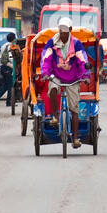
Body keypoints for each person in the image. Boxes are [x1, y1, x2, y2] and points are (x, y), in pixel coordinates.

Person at [41, 17, 91, 149]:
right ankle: (55, 116)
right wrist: (45, 73)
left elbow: (82, 60)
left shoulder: (77, 43)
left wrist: (85, 75)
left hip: (73, 78)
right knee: (52, 89)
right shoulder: (51, 43)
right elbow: (46, 58)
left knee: (74, 109)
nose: (62, 34)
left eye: (65, 31)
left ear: (70, 30)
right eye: (60, 31)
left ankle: (75, 138)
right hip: (56, 76)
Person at [0, 32, 17, 104]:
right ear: (13, 39)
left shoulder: (3, 46)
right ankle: (8, 101)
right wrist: (12, 66)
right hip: (7, 68)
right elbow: (5, 60)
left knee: (6, 85)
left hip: (3, 68)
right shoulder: (10, 47)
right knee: (10, 85)